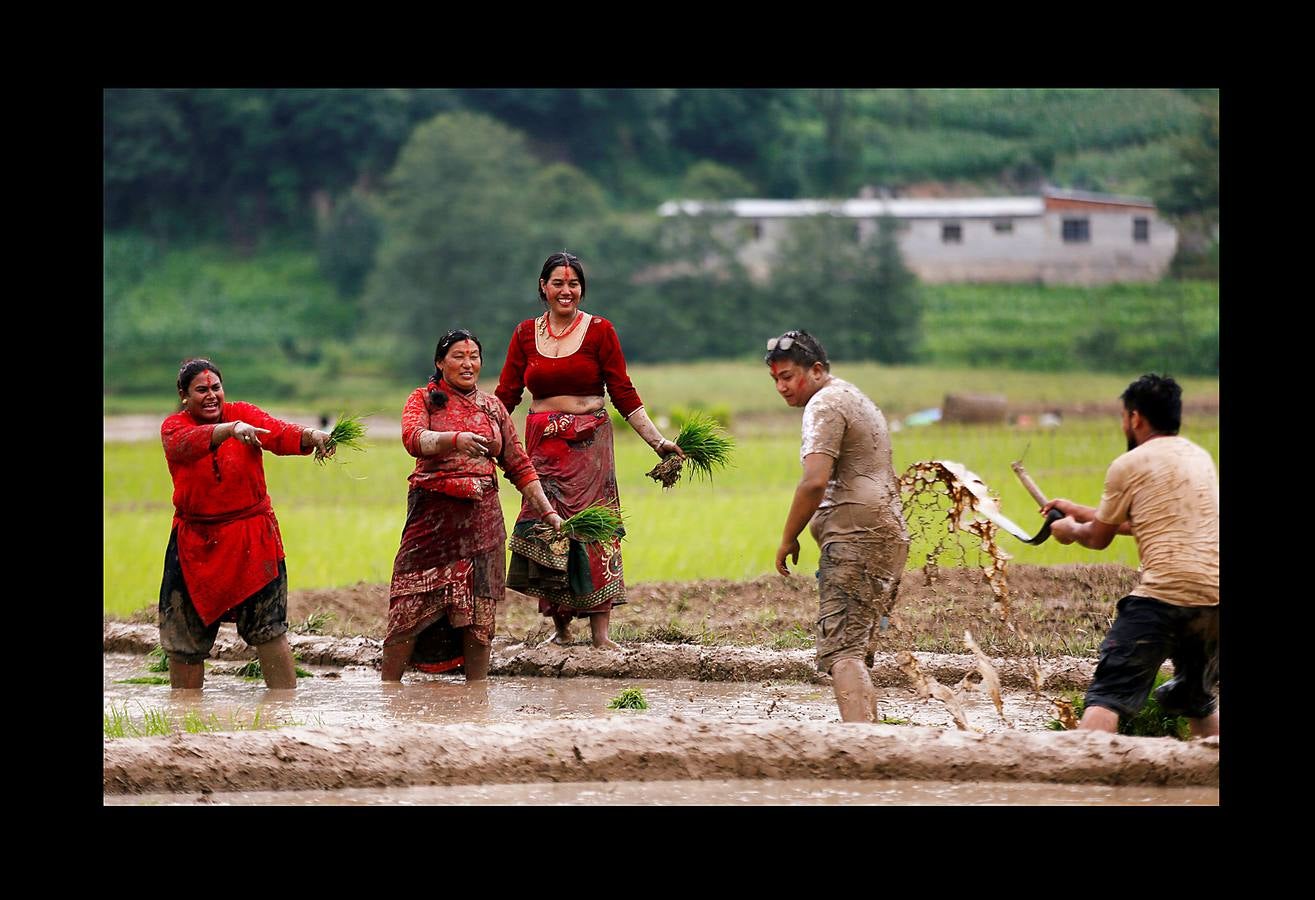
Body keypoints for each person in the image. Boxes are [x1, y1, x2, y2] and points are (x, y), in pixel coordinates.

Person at [496, 251, 682, 651]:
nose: (567, 290)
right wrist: (478, 432)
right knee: (550, 531)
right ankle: (560, 630)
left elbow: (623, 392)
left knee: (595, 531)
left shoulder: (600, 331)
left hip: (590, 448)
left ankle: (601, 636)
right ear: (543, 287)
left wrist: (657, 442)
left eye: (574, 283)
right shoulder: (525, 334)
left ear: (582, 288)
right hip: (542, 449)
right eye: (558, 283)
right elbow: (506, 395)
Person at [1043, 374, 1219, 738]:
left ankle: (1088, 777)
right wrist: (1076, 508)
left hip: (1164, 597)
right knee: (1197, 700)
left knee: (1107, 696)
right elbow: (1149, 523)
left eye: (1124, 417)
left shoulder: (1130, 463)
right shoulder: (1198, 458)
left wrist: (1067, 530)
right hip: (1215, 601)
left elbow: (1098, 538)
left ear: (1135, 418)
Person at [382, 329, 564, 681]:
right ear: (440, 362)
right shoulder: (423, 399)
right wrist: (456, 440)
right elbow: (413, 438)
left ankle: (475, 695)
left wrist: (548, 511)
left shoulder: (493, 406)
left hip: (483, 522)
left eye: (474, 356)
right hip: (432, 522)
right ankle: (390, 691)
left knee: (480, 618)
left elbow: (518, 463)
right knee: (408, 607)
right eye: (458, 356)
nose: (468, 364)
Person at [158, 358, 335, 690]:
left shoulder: (244, 413)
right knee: (184, 642)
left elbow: (278, 432)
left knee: (269, 630)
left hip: (252, 539)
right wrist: (230, 430)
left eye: (216, 388)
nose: (211, 395)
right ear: (184, 396)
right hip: (195, 543)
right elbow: (185, 444)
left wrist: (312, 436)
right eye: (201, 390)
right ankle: (183, 722)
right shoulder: (173, 426)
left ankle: (283, 713)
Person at [766, 331, 909, 723]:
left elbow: (814, 481)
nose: (781, 387)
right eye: (775, 379)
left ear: (815, 370)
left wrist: (787, 537)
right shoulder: (851, 395)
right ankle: (869, 736)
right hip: (887, 532)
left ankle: (860, 746)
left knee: (842, 651)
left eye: (788, 376)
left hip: (858, 536)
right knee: (856, 647)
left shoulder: (824, 405)